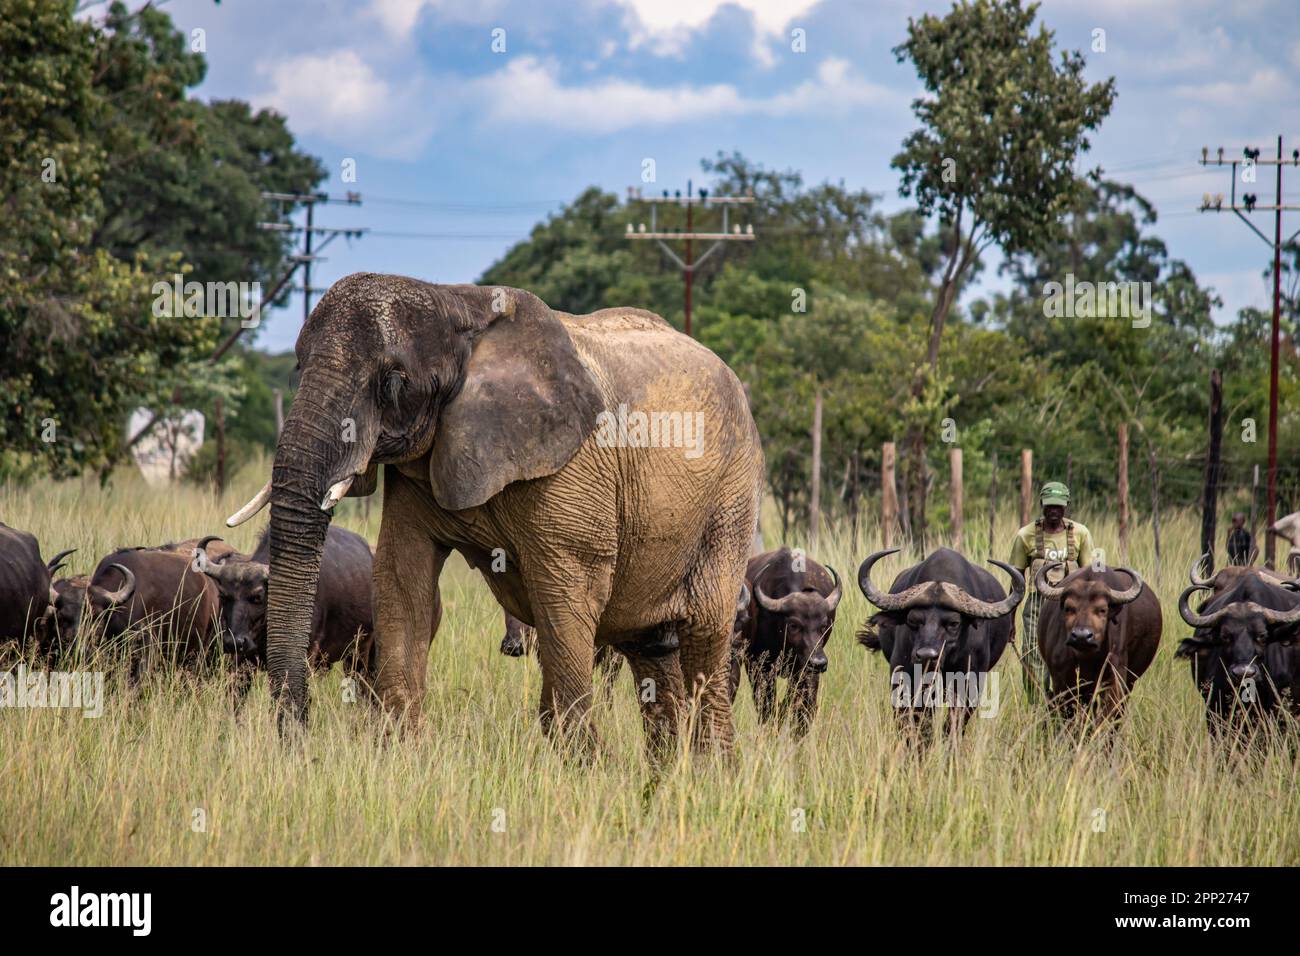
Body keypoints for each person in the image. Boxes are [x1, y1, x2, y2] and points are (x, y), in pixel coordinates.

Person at [1008, 482, 1099, 703]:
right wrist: (1009, 620)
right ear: (1041, 504)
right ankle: (1037, 709)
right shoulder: (1025, 535)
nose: (1053, 511)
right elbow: (1016, 581)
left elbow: (1093, 575)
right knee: (1032, 657)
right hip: (1038, 605)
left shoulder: (1081, 533)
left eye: (1058, 506)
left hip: (1071, 607)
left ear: (1066, 505)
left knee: (1069, 654)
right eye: (1049, 506)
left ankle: (1067, 705)